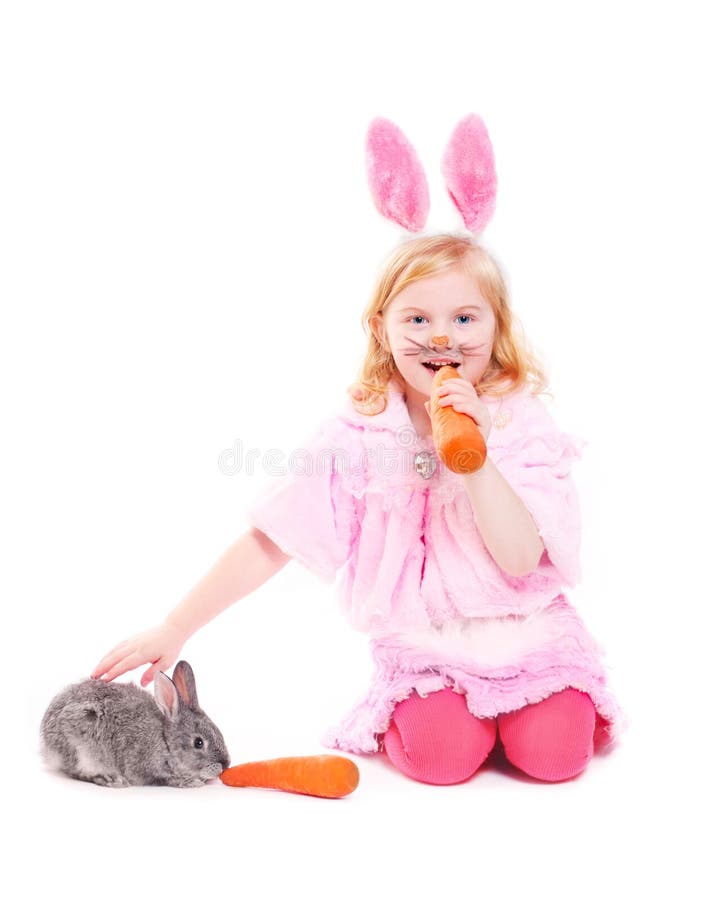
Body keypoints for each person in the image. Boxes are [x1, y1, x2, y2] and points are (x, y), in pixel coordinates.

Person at [92, 233, 623, 785]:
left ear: (497, 326)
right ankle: (444, 716)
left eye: (465, 318)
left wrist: (476, 460)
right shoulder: (359, 435)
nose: (442, 335)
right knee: (440, 760)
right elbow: (274, 539)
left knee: (556, 758)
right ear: (381, 329)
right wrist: (177, 626)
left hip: (527, 629)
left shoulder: (520, 422)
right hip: (428, 644)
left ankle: (524, 714)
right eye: (417, 319)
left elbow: (519, 559)